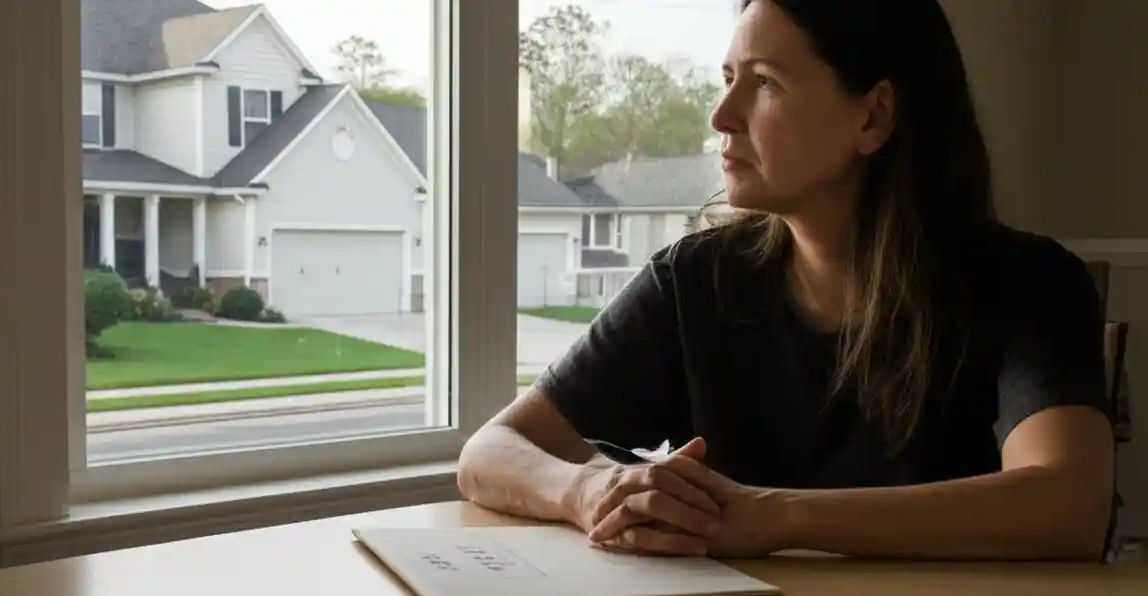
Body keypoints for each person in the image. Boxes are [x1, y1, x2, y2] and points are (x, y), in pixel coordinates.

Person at [457, 0, 1114, 561]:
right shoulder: (693, 282)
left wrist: (773, 517)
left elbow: (1069, 501)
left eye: (764, 83)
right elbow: (490, 451)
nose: (721, 117)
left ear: (874, 117)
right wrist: (586, 492)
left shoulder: (1028, 283)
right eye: (727, 78)